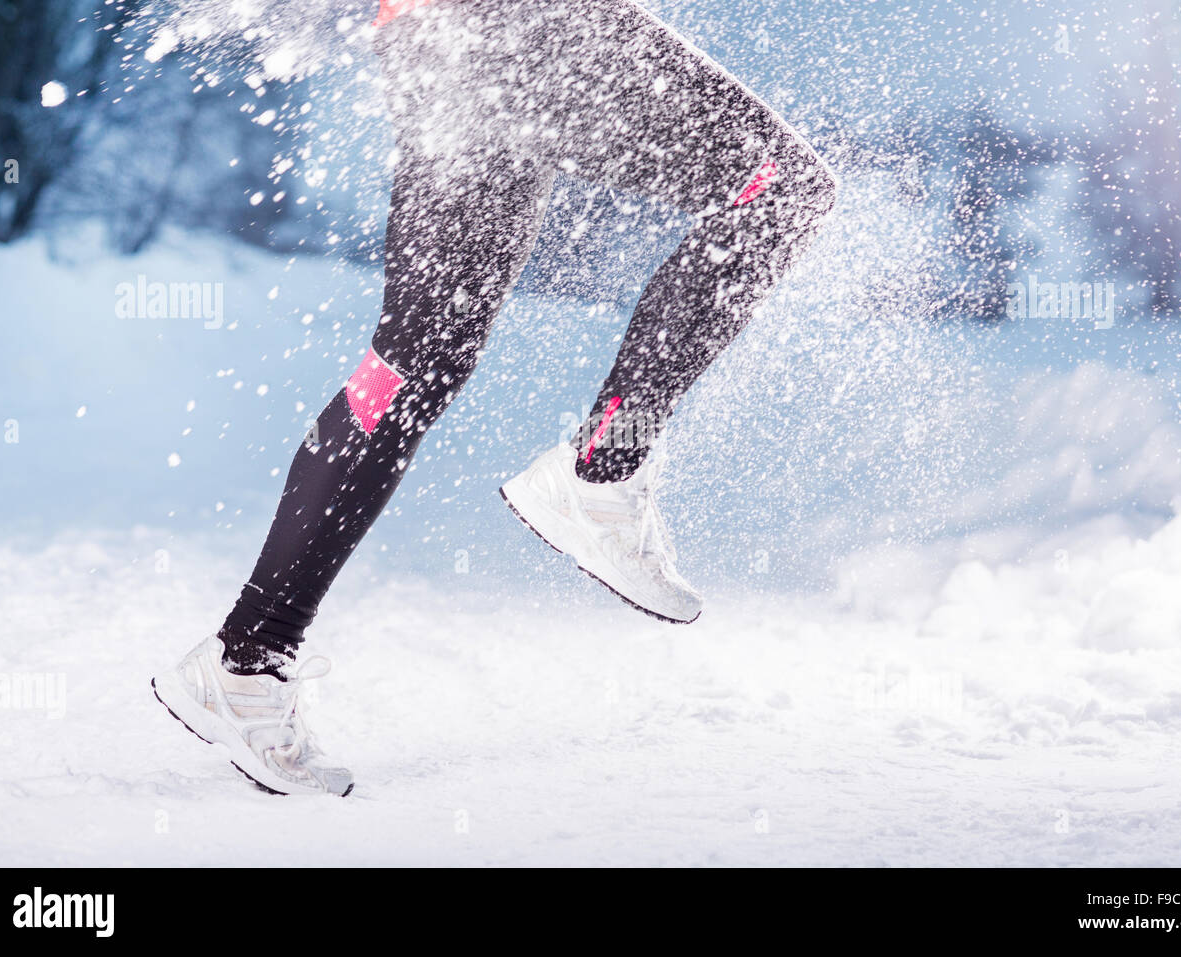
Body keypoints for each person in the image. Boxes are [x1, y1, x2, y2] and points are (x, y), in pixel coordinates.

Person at [152, 0, 837, 795]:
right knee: (781, 188)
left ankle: (249, 660)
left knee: (412, 362)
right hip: (527, 25)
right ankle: (603, 471)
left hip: (436, 44)